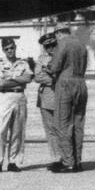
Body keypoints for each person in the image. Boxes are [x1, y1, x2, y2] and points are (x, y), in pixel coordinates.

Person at [0, 38, 32, 173]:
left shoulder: (23, 63)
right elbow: (1, 84)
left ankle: (13, 162)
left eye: (11, 48)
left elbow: (28, 78)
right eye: (7, 49)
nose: (10, 51)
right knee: (1, 131)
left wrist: (10, 80)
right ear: (3, 50)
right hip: (5, 98)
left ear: (15, 47)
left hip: (20, 97)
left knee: (17, 132)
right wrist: (19, 80)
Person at [48, 25, 88, 172]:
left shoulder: (62, 44)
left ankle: (67, 161)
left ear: (59, 33)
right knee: (78, 124)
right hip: (81, 83)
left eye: (56, 35)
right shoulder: (81, 44)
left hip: (65, 83)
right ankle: (78, 161)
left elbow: (54, 67)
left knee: (62, 123)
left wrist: (49, 66)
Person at [34, 32, 61, 167]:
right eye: (47, 46)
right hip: (45, 98)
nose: (50, 48)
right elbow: (37, 76)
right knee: (50, 130)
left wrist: (50, 76)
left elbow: (63, 74)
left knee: (62, 129)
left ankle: (67, 157)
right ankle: (56, 158)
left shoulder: (62, 55)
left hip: (61, 97)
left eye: (52, 44)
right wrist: (53, 79)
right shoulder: (41, 58)